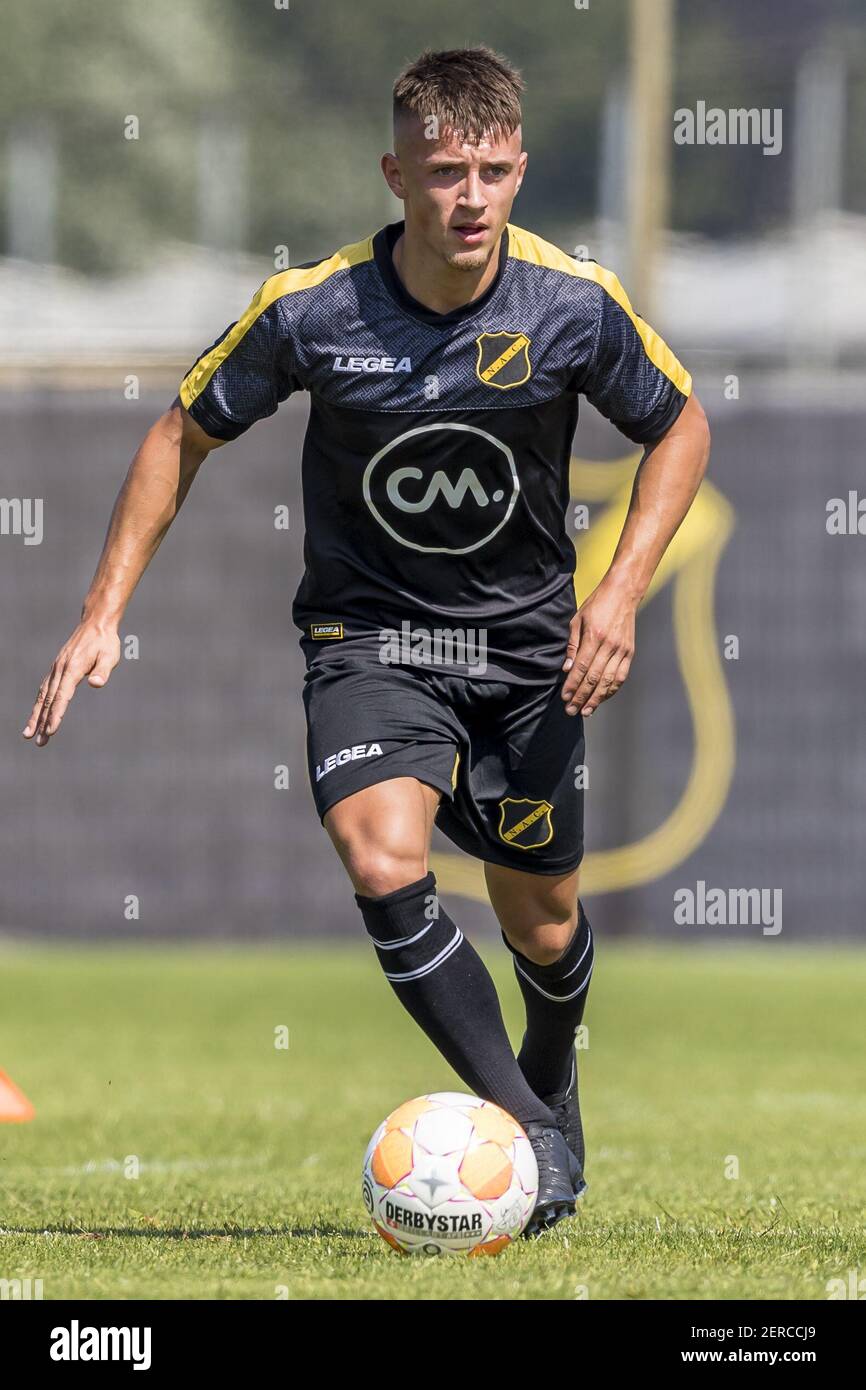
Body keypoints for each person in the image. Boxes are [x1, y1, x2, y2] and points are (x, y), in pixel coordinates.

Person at [23, 45, 710, 1235]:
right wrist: (101, 612)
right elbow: (181, 433)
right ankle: (529, 1140)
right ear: (395, 172)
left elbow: (683, 424)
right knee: (383, 858)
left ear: (520, 169)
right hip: (371, 640)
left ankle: (548, 1069)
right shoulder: (314, 308)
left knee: (541, 925)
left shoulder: (569, 303)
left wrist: (619, 592)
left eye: (492, 171)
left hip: (527, 653)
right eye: (445, 171)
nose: (471, 198)